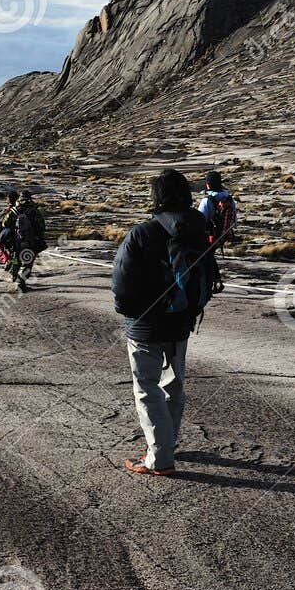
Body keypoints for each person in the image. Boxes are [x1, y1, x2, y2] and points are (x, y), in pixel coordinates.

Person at [110, 169, 214, 476]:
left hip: (144, 326)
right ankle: (166, 444)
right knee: (174, 385)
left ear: (157, 197)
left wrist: (131, 315)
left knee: (147, 388)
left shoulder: (142, 233)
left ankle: (159, 458)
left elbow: (121, 285)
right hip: (182, 322)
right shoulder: (197, 230)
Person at [198, 169, 238, 294]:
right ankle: (215, 280)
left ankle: (214, 280)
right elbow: (235, 220)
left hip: (211, 235)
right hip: (224, 235)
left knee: (204, 255)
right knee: (209, 255)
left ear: (208, 184)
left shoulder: (207, 200)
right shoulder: (229, 199)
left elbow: (200, 220)